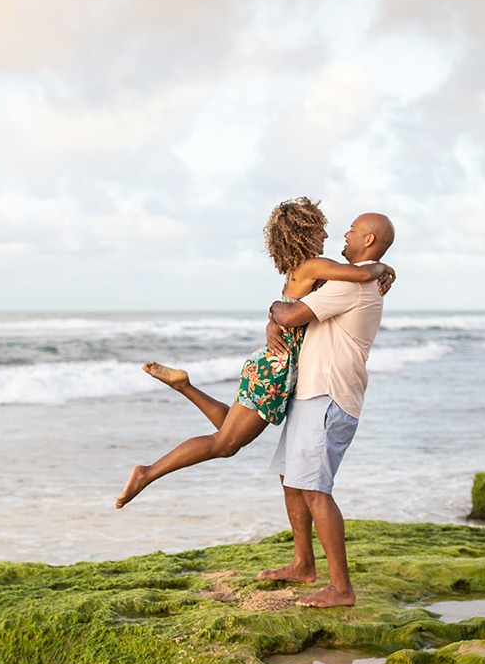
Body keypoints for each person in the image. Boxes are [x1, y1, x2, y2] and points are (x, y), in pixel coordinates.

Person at [115, 198, 393, 510]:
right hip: (277, 367)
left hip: (273, 364)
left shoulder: (300, 269)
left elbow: (293, 305)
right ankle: (147, 472)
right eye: (320, 230)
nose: (327, 237)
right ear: (304, 232)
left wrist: (271, 320)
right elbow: (359, 275)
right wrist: (383, 267)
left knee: (231, 432)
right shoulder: (315, 266)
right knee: (225, 444)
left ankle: (184, 386)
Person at [256, 212, 395, 608]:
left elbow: (290, 314)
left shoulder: (352, 284)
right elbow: (290, 316)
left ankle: (341, 588)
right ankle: (303, 564)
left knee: (316, 488)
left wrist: (273, 310)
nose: (343, 233)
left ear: (368, 240)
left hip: (329, 395)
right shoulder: (357, 278)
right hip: (311, 392)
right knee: (291, 478)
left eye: (352, 229)